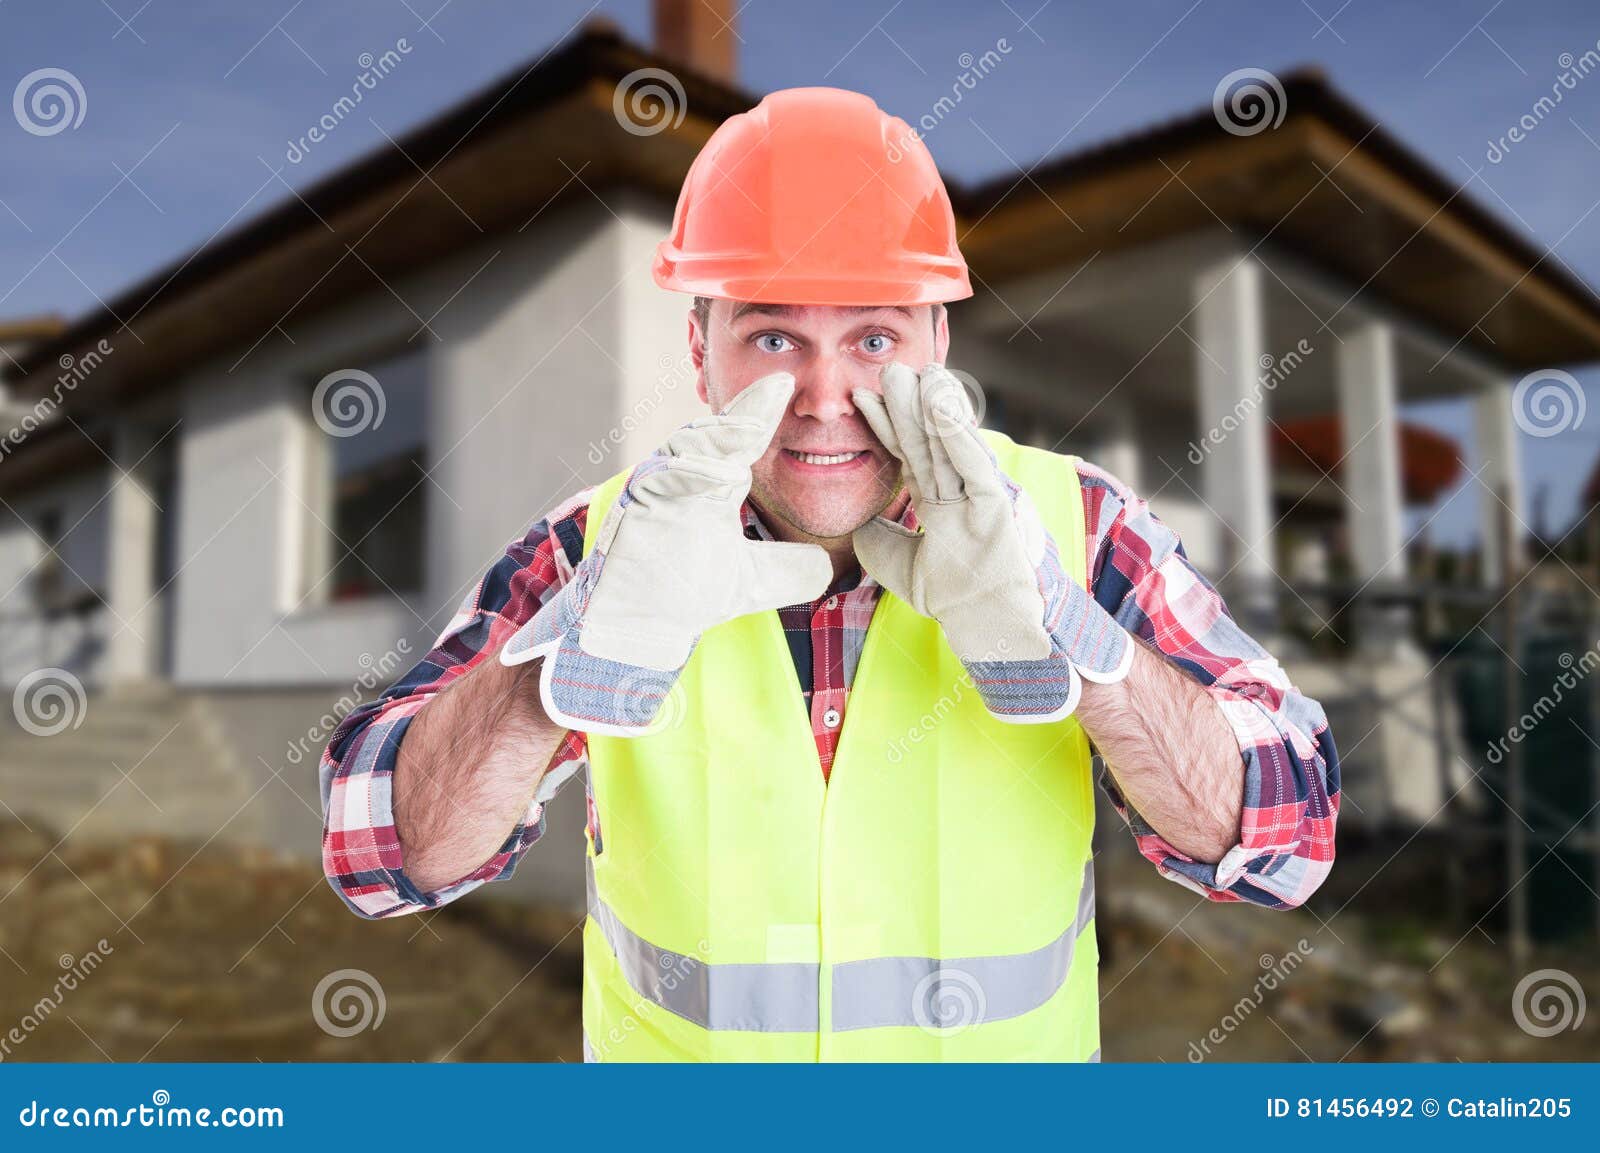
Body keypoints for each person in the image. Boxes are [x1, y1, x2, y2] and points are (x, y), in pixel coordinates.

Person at [319, 86, 1339, 1062]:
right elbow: (376, 857)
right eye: (771, 335)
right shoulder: (601, 543)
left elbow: (1285, 846)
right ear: (699, 347)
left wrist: (1081, 647)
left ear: (936, 341)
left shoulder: (1073, 524)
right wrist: (550, 675)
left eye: (873, 337)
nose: (824, 394)